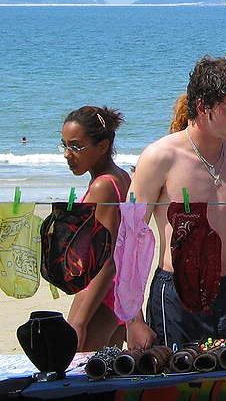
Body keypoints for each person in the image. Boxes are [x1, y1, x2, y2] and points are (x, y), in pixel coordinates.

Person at [126, 56, 226, 349]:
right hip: (176, 295)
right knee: (176, 385)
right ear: (202, 107)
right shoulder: (160, 157)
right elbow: (129, 239)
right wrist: (133, 320)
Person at [61, 106, 132, 351]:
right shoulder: (121, 176)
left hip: (100, 289)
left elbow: (104, 258)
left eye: (76, 146)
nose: (68, 154)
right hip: (118, 290)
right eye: (65, 145)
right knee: (106, 373)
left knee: (81, 368)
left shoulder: (103, 185)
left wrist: (79, 321)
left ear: (102, 146)